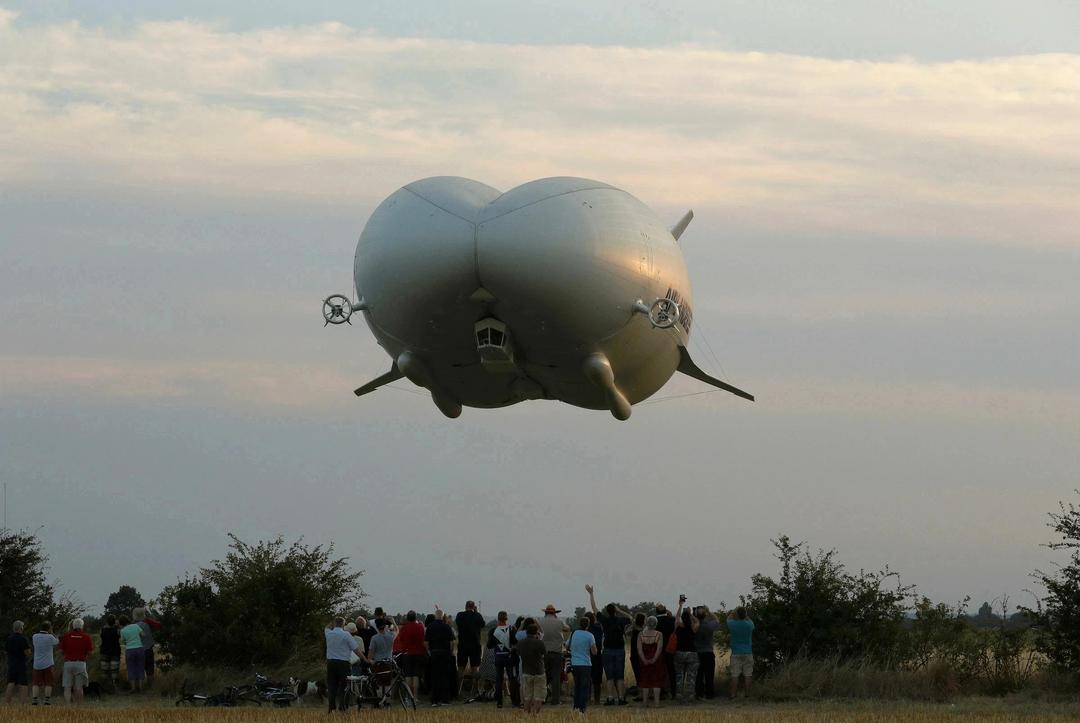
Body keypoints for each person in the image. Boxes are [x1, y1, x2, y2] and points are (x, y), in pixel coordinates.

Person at [586, 584, 631, 705]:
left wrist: (591, 594)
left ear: (606, 611)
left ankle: (610, 698)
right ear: (615, 611)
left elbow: (594, 609)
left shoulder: (604, 620)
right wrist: (620, 610)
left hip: (608, 650)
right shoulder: (621, 621)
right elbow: (631, 618)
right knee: (620, 675)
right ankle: (621, 698)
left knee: (610, 676)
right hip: (620, 650)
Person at [325, 616, 359, 712]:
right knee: (344, 685)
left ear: (335, 623)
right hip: (343, 663)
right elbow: (356, 649)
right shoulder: (346, 635)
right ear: (344, 624)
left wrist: (332, 622)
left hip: (331, 662)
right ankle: (342, 706)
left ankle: (331, 708)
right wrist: (364, 659)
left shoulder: (328, 633)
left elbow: (326, 627)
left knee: (332, 686)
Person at [538, 604, 568, 705]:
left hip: (544, 653)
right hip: (557, 653)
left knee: (544, 676)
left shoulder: (540, 622)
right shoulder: (559, 622)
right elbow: (567, 628)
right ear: (555, 613)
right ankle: (555, 700)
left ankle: (542, 698)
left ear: (545, 612)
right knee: (556, 677)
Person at [424, 609, 455, 707]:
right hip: (445, 653)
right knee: (444, 676)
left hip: (434, 653)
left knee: (434, 677)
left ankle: (434, 700)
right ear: (442, 616)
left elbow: (426, 642)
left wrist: (429, 652)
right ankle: (445, 699)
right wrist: (450, 652)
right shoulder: (447, 627)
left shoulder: (430, 627)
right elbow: (451, 642)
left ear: (435, 615)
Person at [454, 601, 484, 699]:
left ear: (465, 606)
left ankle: (458, 691)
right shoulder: (477, 616)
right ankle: (474, 691)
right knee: (475, 668)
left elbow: (457, 623)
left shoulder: (460, 615)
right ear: (473, 607)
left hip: (463, 645)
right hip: (475, 645)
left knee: (461, 668)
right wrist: (476, 612)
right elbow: (482, 624)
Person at [59, 618, 93, 706]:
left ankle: (68, 706)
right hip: (80, 663)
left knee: (67, 687)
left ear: (73, 626)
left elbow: (62, 651)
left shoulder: (66, 636)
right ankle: (79, 706)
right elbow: (90, 652)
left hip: (68, 663)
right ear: (82, 626)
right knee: (79, 687)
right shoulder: (86, 637)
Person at [567, 617, 598, 714]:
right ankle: (582, 708)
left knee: (577, 686)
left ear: (579, 624)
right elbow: (594, 652)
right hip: (585, 663)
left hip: (574, 663)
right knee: (584, 687)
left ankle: (575, 706)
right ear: (588, 625)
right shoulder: (590, 635)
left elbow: (567, 645)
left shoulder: (573, 633)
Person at [489, 611, 519, 709]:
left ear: (498, 619)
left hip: (498, 657)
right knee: (512, 679)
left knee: (499, 680)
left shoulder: (493, 630)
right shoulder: (511, 629)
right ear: (506, 619)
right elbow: (516, 642)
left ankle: (499, 702)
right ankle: (514, 701)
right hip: (510, 657)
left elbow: (489, 645)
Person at [673, 598, 700, 703]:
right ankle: (690, 696)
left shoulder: (679, 626)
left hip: (679, 652)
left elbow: (677, 617)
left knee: (679, 675)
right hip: (692, 653)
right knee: (691, 676)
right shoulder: (693, 627)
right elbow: (697, 621)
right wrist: (690, 614)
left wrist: (680, 606)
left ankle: (679, 695)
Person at [517, 623, 546, 715]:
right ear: (536, 632)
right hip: (539, 672)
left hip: (526, 671)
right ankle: (535, 716)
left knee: (527, 697)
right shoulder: (539, 643)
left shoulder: (521, 643)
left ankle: (526, 715)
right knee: (539, 697)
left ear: (526, 632)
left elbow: (519, 653)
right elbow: (544, 653)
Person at [635, 616, 665, 707]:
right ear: (656, 624)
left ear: (647, 623)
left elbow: (639, 649)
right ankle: (656, 703)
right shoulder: (659, 634)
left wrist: (644, 659)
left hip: (644, 659)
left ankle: (645, 703)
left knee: (645, 681)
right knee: (656, 681)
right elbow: (659, 648)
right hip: (656, 660)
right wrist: (654, 659)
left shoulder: (640, 634)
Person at [397, 611, 426, 700]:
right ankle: (415, 697)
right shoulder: (420, 627)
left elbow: (400, 639)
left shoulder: (404, 629)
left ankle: (408, 697)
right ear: (415, 618)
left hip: (407, 653)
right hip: (419, 653)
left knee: (408, 676)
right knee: (416, 676)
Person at [727, 607, 755, 699]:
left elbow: (728, 619)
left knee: (735, 675)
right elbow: (750, 621)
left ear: (737, 614)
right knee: (748, 674)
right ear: (745, 614)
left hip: (736, 652)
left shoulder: (732, 624)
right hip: (748, 652)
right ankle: (747, 694)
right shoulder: (749, 625)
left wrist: (733, 612)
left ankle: (733, 694)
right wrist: (745, 615)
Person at [694, 606, 720, 699]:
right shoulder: (710, 625)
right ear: (705, 615)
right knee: (709, 675)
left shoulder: (694, 626)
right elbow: (717, 619)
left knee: (699, 675)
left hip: (697, 652)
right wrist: (709, 611)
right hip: (708, 652)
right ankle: (710, 694)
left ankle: (699, 693)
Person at [30, 621, 59, 705]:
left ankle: (35, 699)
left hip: (37, 664)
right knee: (48, 683)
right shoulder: (50, 637)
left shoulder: (34, 636)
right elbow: (57, 641)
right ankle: (47, 700)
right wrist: (53, 633)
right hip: (48, 663)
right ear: (49, 628)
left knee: (35, 682)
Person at [368, 618, 396, 705]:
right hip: (388, 662)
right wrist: (393, 622)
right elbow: (397, 630)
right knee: (387, 682)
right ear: (385, 626)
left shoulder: (374, 638)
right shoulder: (391, 635)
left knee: (379, 681)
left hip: (378, 663)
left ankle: (379, 699)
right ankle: (386, 700)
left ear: (376, 626)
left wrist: (370, 659)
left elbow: (371, 653)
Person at [4, 620, 31, 705]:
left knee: (10, 683)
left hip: (11, 664)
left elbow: (6, 651)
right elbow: (27, 652)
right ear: (21, 628)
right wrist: (29, 653)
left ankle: (8, 703)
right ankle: (23, 704)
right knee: (23, 684)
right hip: (20, 664)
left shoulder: (9, 638)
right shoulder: (23, 639)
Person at [134, 607, 162, 684]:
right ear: (143, 614)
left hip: (137, 649)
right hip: (148, 648)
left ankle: (139, 687)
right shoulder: (147, 621)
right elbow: (159, 625)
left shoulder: (133, 624)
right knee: (150, 668)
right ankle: (151, 686)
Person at [119, 614, 146, 692]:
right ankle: (140, 687)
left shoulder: (122, 631)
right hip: (139, 648)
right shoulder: (136, 626)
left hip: (130, 650)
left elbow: (122, 641)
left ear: (121, 623)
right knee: (140, 667)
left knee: (131, 668)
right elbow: (143, 635)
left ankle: (133, 688)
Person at [654, 603, 676, 698]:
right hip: (669, 648)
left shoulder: (655, 621)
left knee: (659, 670)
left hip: (658, 648)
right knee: (671, 670)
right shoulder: (671, 620)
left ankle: (660, 691)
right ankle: (673, 692)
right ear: (666, 610)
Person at [584, 610, 604, 704]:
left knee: (587, 678)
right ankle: (597, 700)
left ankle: (587, 698)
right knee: (597, 680)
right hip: (597, 655)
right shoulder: (599, 627)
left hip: (586, 655)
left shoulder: (584, 631)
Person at [98, 615, 121, 692]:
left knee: (104, 672)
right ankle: (115, 688)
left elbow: (100, 639)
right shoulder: (117, 630)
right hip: (115, 652)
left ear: (107, 621)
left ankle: (104, 688)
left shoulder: (102, 630)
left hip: (104, 652)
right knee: (114, 672)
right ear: (114, 622)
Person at [629, 613, 645, 701]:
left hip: (634, 655)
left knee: (638, 676)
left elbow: (626, 631)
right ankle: (643, 693)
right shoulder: (643, 631)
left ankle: (640, 694)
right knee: (642, 675)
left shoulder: (634, 630)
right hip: (642, 655)